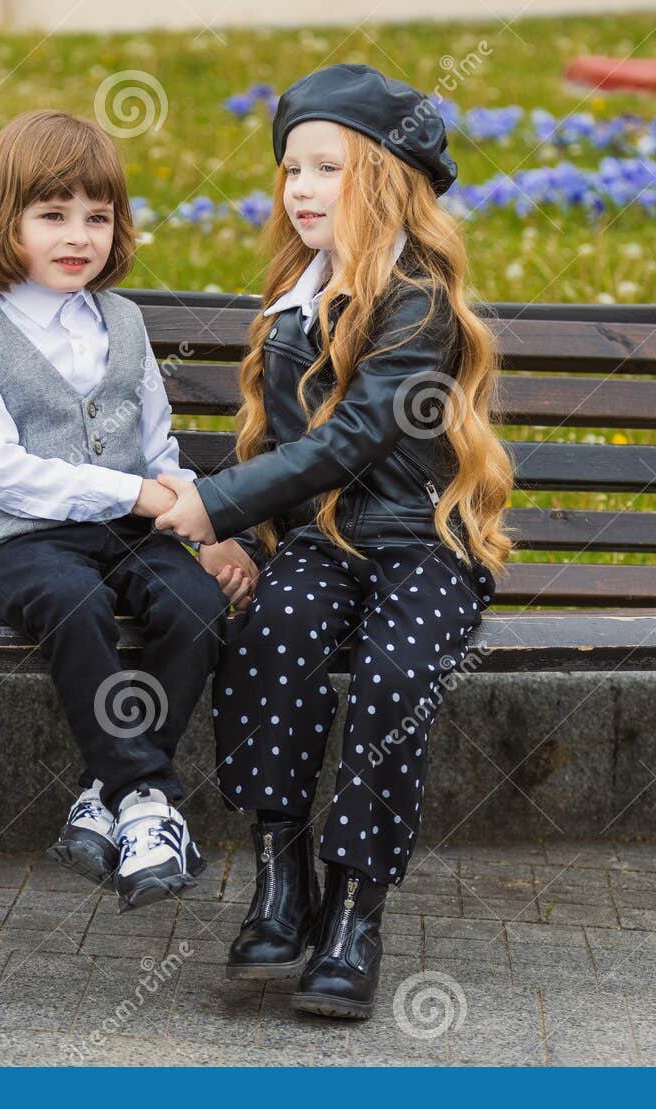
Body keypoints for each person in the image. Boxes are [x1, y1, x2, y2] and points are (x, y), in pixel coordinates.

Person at [154, 64, 514, 1017]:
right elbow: (282, 445)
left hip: (422, 545)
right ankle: (283, 879)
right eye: (291, 169)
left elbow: (352, 438)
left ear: (386, 181)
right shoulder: (298, 296)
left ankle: (355, 911)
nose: (301, 189)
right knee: (269, 631)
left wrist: (214, 504)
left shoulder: (418, 301)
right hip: (320, 542)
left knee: (395, 675)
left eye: (327, 168)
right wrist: (232, 528)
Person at [0, 109, 258, 911]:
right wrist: (130, 493)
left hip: (132, 534)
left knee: (195, 604)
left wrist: (205, 526)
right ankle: (148, 796)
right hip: (22, 540)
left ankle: (105, 799)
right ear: (4, 220)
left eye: (97, 218)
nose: (78, 236)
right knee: (75, 601)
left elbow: (157, 449)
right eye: (53, 215)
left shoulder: (124, 322)